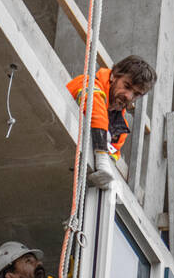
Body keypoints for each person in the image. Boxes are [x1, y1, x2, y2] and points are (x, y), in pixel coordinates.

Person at [66, 55, 157, 188]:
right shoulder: (86, 83)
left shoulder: (119, 131)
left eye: (136, 94)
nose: (129, 96)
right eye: (127, 86)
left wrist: (108, 165)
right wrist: (101, 154)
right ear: (114, 75)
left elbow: (113, 154)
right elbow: (95, 107)